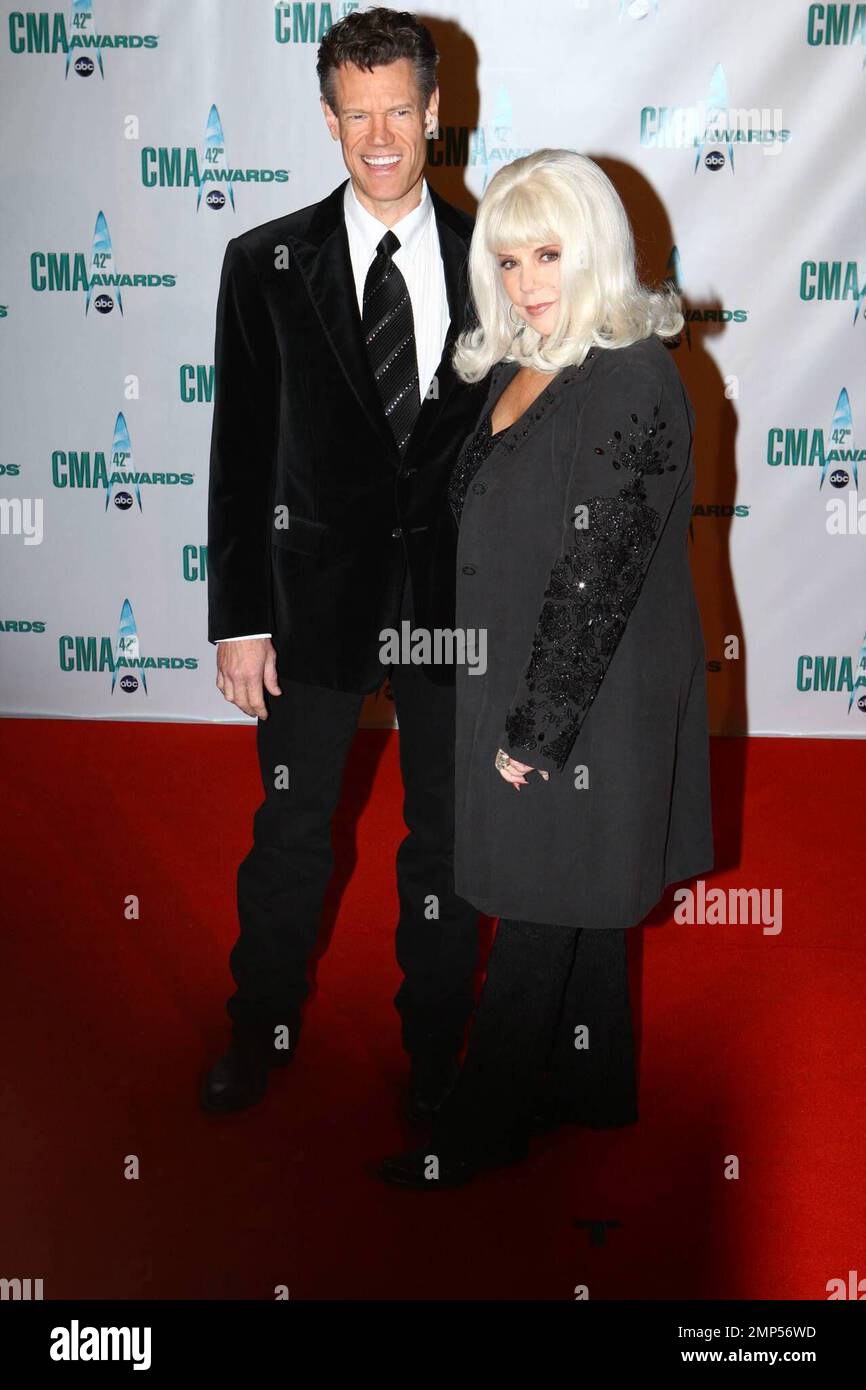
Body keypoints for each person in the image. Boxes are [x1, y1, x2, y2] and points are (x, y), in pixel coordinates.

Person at [379, 149, 714, 1188]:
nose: (528, 279)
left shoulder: (627, 376)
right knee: (580, 886)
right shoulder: (527, 359)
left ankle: (474, 1131)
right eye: (510, 256)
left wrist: (536, 727)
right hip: (530, 674)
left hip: (585, 694)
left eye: (550, 253)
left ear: (598, 251)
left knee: (535, 900)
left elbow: (598, 571)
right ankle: (594, 1086)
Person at [201, 8, 487, 1119]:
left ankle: (433, 1053)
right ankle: (256, 1030)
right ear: (328, 119)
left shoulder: (489, 258)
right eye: (355, 113)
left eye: (397, 111)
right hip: (310, 603)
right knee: (290, 831)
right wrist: (238, 620)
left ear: (431, 113)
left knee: (446, 842)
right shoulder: (262, 263)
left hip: (449, 605)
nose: (378, 135)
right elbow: (236, 451)